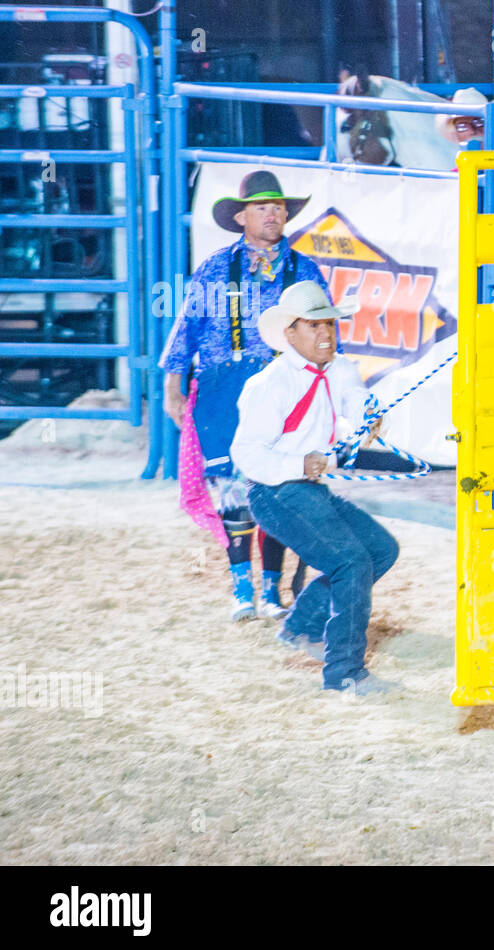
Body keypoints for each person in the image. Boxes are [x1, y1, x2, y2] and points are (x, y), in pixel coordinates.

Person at [160, 170, 332, 622]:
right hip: (223, 386)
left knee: (276, 483)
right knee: (231, 486)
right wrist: (172, 385)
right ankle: (242, 590)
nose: (273, 214)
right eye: (262, 207)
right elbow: (188, 326)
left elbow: (325, 332)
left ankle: (272, 591)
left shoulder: (305, 271)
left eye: (278, 207)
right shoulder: (216, 267)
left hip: (284, 386)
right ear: (242, 217)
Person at [231, 281, 399, 695]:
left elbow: (355, 400)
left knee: (381, 550)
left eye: (330, 324)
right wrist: (298, 463)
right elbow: (246, 454)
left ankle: (303, 626)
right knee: (352, 563)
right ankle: (345, 673)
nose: (326, 333)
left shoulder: (338, 368)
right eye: (314, 325)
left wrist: (369, 419)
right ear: (290, 333)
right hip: (273, 492)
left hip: (307, 488)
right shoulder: (269, 385)